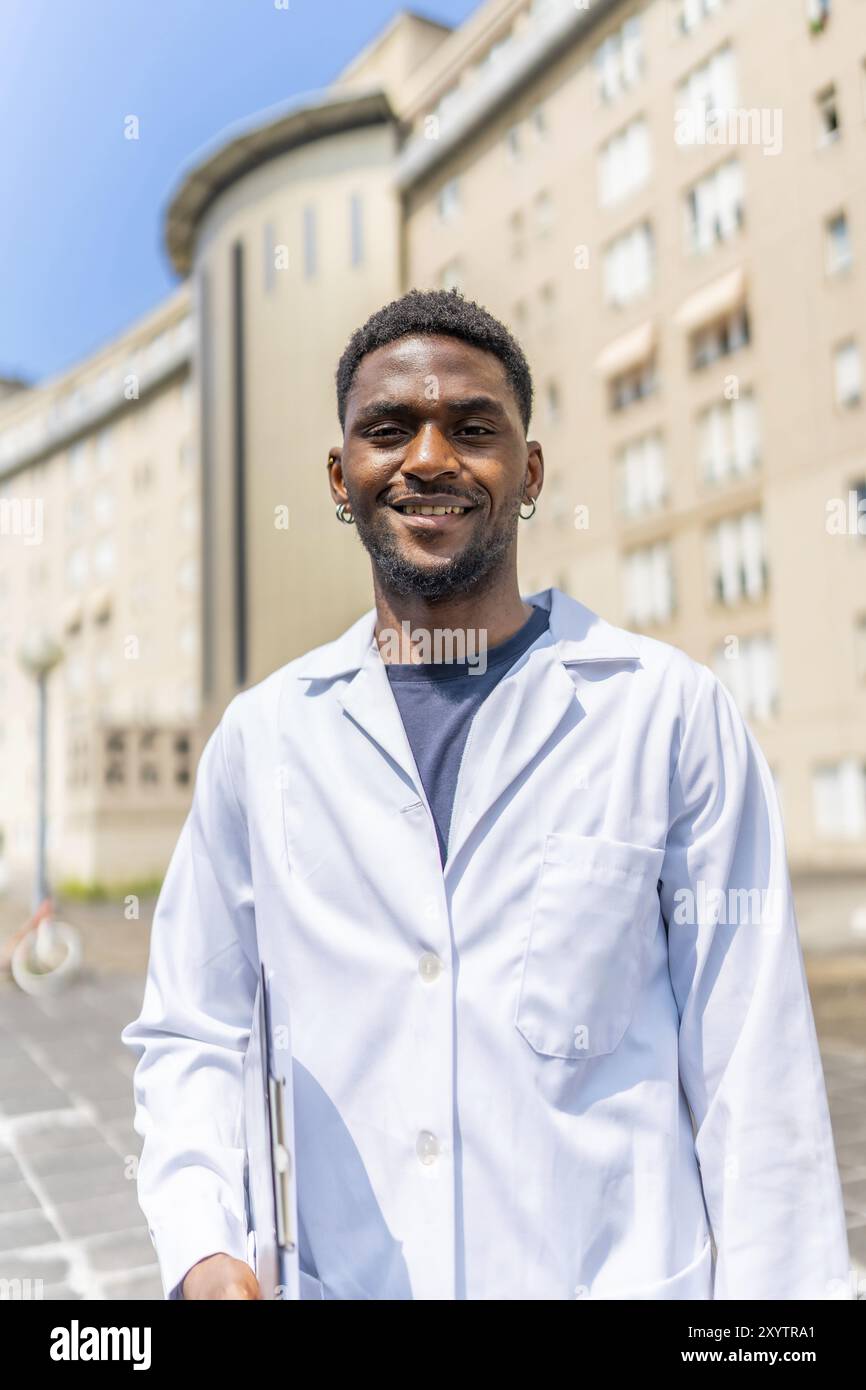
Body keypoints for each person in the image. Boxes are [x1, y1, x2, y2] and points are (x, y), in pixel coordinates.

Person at [121, 288, 852, 1301]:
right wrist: (204, 1245)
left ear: (530, 470)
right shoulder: (263, 741)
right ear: (341, 477)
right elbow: (194, 1029)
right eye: (388, 430)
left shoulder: (667, 716)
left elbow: (753, 1071)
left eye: (472, 428)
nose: (428, 459)